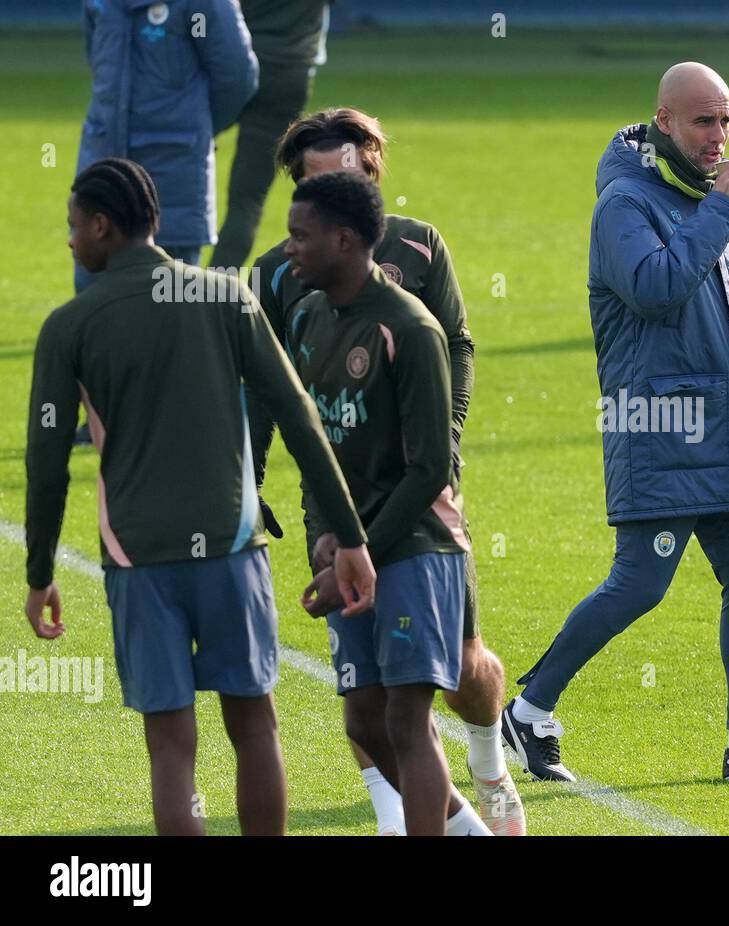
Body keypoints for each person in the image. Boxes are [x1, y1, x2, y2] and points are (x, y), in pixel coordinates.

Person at [25, 158, 375, 836]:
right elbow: (300, 418)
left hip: (139, 558)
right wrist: (352, 536)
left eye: (74, 228)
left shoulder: (69, 326)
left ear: (102, 225)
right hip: (231, 547)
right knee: (254, 723)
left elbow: (46, 466)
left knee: (171, 745)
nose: (70, 241)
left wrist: (40, 573)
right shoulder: (226, 296)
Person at [504, 62, 729, 784]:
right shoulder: (624, 202)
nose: (718, 137)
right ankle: (528, 711)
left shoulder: (707, 195)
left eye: (726, 121)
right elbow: (654, 289)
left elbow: (726, 302)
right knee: (641, 583)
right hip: (659, 425)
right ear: (664, 121)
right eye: (703, 122)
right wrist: (721, 211)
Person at [248, 107, 522, 835]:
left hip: (416, 509)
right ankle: (403, 819)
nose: (319, 207)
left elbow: (451, 353)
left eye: (344, 179)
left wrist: (443, 435)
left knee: (452, 674)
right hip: (337, 510)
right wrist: (272, 491)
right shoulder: (288, 288)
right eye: (309, 190)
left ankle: (490, 759)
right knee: (372, 707)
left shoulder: (415, 271)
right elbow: (277, 395)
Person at [287, 170, 491, 836]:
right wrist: (326, 537)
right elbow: (317, 448)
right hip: (354, 548)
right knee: (364, 718)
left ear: (344, 240)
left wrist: (358, 549)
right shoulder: (310, 320)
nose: (289, 249)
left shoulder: (411, 327)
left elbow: (432, 465)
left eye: (301, 235)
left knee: (406, 717)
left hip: (415, 545)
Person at [75, 0, 257, 291]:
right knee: (93, 314)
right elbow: (98, 64)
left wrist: (193, 129)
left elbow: (236, 78)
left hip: (171, 181)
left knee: (171, 314)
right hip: (102, 175)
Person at [209, 0, 332, 268]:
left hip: (230, 65)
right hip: (289, 73)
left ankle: (160, 282)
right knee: (247, 201)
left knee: (170, 170)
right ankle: (211, 293)